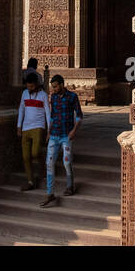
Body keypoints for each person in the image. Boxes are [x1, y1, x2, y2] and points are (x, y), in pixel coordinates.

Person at [39, 74, 82, 208]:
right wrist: (48, 132)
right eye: (52, 87)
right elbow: (52, 116)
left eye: (56, 86)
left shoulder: (72, 97)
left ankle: (70, 186)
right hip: (54, 135)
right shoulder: (54, 97)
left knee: (66, 161)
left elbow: (79, 115)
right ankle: (50, 193)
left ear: (62, 85)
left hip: (66, 135)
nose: (54, 89)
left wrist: (74, 131)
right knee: (49, 163)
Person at [16, 72, 49, 191]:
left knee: (35, 153)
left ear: (37, 84)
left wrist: (49, 130)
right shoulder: (24, 93)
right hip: (26, 127)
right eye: (28, 86)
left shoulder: (43, 95)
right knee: (25, 157)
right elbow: (21, 110)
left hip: (38, 126)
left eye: (32, 86)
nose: (30, 89)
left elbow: (47, 112)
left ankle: (43, 168)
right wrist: (19, 126)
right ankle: (30, 181)